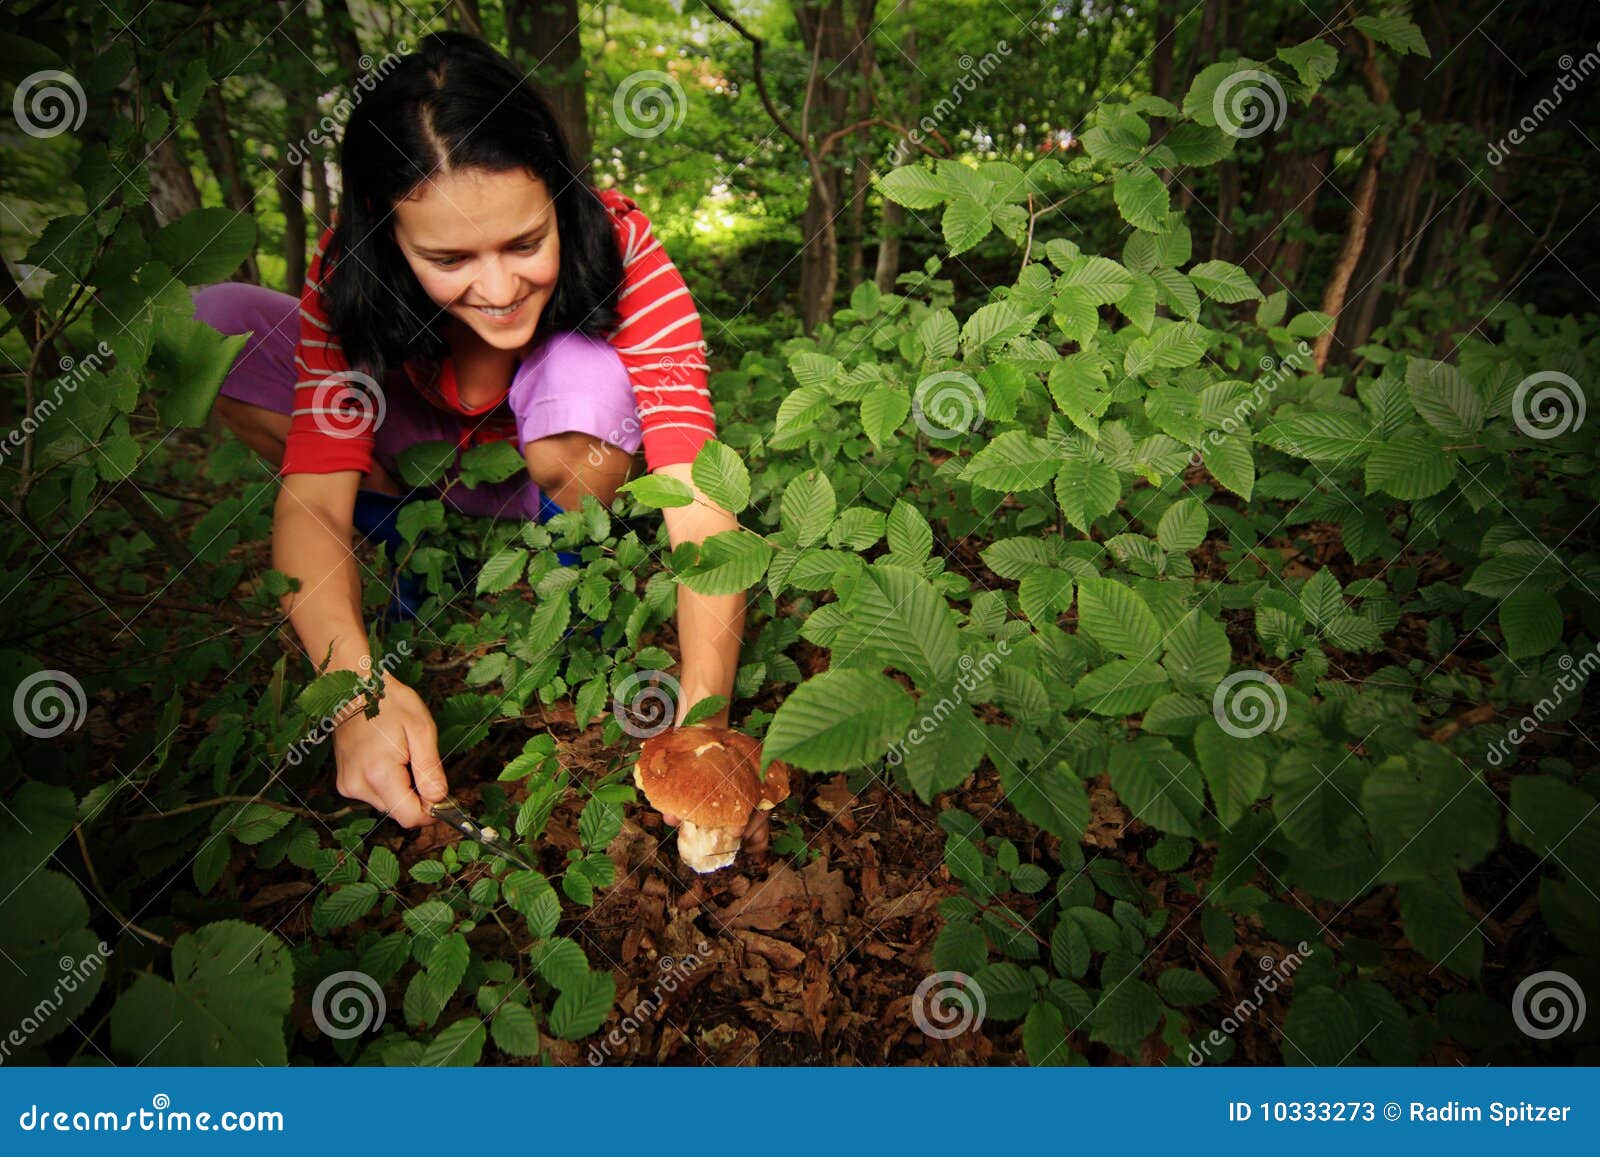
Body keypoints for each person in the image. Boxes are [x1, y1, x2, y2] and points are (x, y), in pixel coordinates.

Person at [194, 31, 764, 851]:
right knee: (215, 322)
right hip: (416, 459)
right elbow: (313, 495)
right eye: (449, 257)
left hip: (550, 464)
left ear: (560, 198)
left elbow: (698, 500)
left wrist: (702, 731)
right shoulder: (349, 269)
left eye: (526, 244)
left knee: (591, 380)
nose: (498, 290)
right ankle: (421, 565)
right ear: (387, 235)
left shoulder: (624, 247)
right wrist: (353, 692)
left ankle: (562, 586)